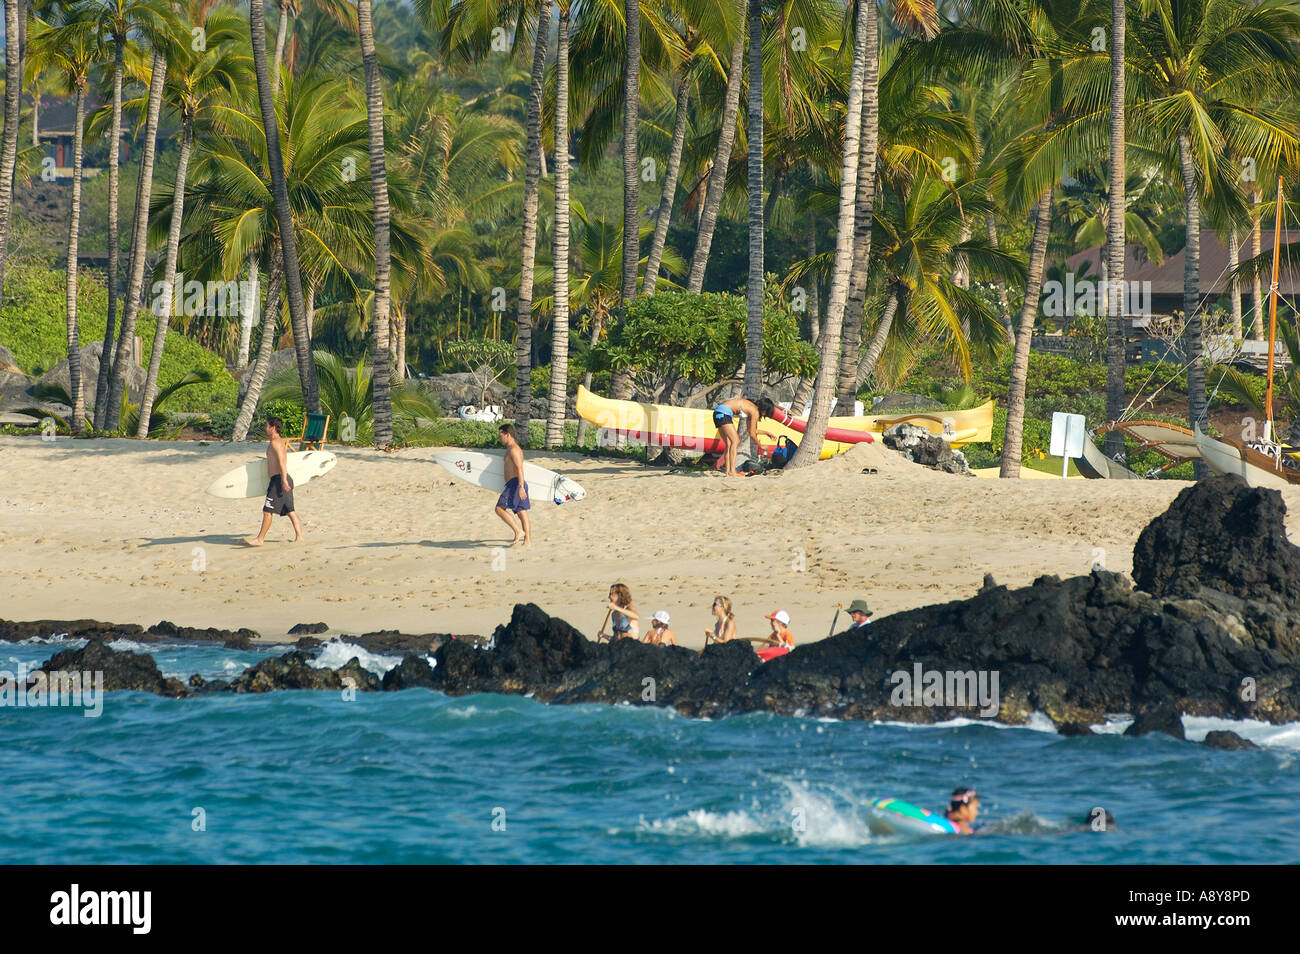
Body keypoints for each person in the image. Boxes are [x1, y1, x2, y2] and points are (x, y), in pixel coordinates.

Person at [244, 416, 304, 546]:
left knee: (267, 511)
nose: (265, 428)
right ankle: (299, 537)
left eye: (267, 426)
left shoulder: (275, 442)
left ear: (273, 427)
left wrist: (283, 480)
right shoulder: (278, 441)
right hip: (282, 479)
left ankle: (260, 539)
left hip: (279, 480)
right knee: (290, 510)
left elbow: (282, 462)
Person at [712, 396, 777, 477]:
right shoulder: (755, 411)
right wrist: (760, 445)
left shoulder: (750, 408)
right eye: (766, 414)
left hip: (717, 412)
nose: (765, 416)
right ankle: (732, 471)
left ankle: (728, 472)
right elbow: (753, 434)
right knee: (735, 441)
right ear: (764, 410)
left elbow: (751, 431)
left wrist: (766, 433)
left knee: (728, 444)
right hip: (724, 413)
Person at [495, 423, 532, 548]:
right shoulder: (510, 449)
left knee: (499, 509)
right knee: (522, 512)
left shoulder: (514, 450)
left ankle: (518, 531)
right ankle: (527, 541)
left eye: (500, 435)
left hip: (515, 484)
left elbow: (519, 468)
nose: (499, 438)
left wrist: (521, 487)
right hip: (515, 484)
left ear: (508, 434)